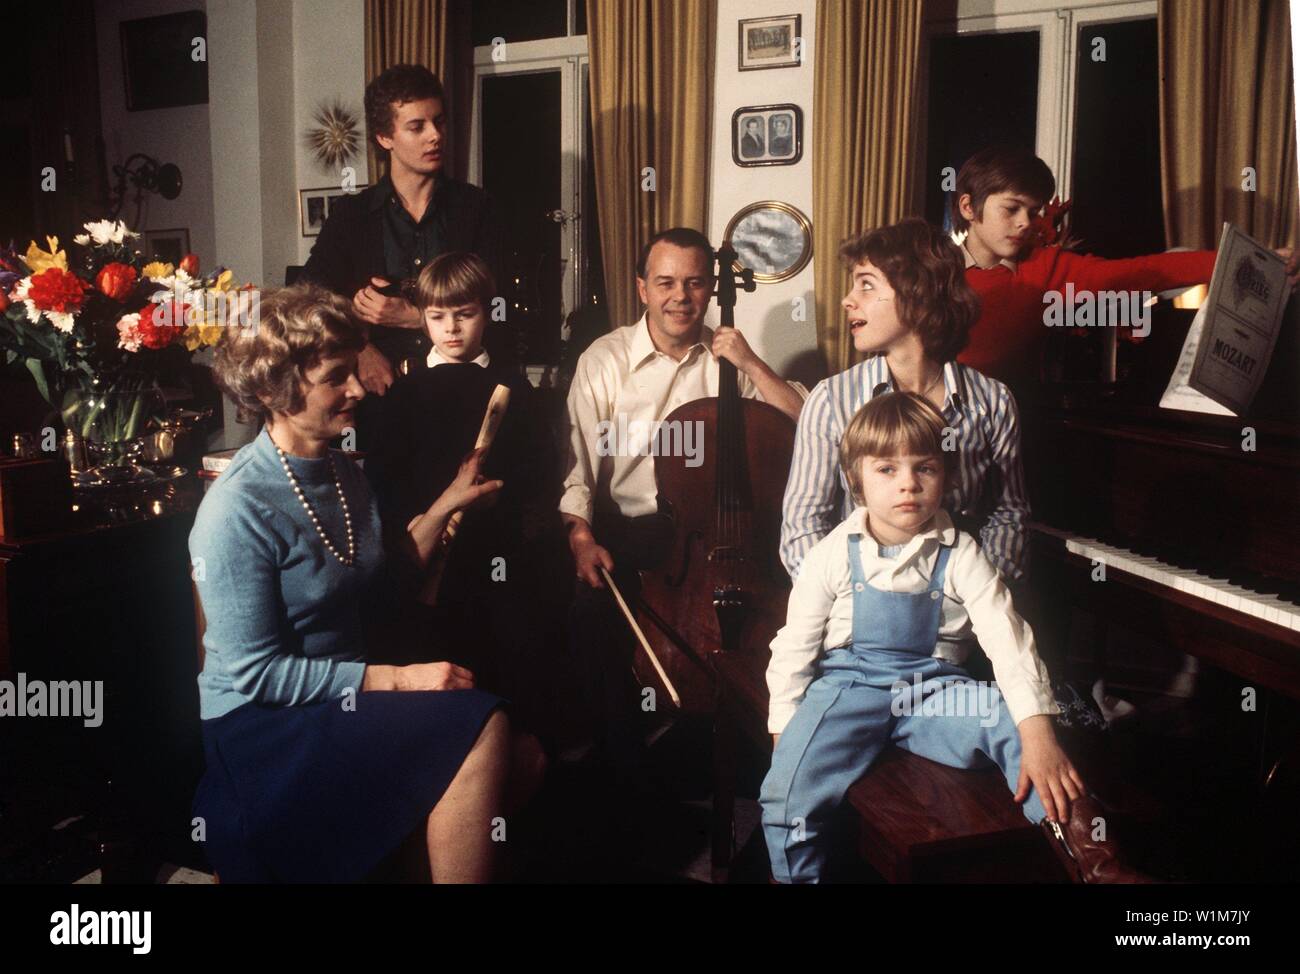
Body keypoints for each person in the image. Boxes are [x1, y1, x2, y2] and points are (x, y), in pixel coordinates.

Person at [190, 284, 540, 883]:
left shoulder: (340, 470)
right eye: (336, 377)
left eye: (354, 371)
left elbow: (384, 573)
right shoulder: (236, 507)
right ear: (277, 388)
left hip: (342, 697)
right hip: (264, 727)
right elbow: (257, 673)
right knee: (485, 730)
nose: (357, 389)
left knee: (527, 758)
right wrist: (401, 680)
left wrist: (449, 500)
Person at [761, 391, 1152, 884]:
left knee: (1015, 724)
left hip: (934, 691)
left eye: (925, 468)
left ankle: (1101, 868)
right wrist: (786, 732)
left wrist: (1036, 732)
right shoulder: (833, 552)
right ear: (856, 481)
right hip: (849, 690)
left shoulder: (961, 552)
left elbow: (1007, 636)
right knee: (787, 792)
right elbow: (794, 645)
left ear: (945, 477)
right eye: (887, 469)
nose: (908, 484)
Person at [561, 227, 804, 773]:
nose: (681, 296)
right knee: (592, 612)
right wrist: (580, 536)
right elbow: (575, 461)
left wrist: (752, 366)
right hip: (623, 529)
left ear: (710, 288)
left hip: (712, 534)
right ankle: (623, 767)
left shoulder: (725, 356)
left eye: (695, 283)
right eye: (666, 282)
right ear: (642, 288)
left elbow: (805, 423)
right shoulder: (604, 360)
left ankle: (738, 751)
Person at [364, 252, 561, 735]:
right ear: (423, 318)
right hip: (424, 560)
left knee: (497, 684)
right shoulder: (401, 392)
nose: (451, 329)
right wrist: (418, 520)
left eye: (465, 314)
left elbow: (538, 475)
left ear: (487, 311)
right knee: (431, 694)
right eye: (437, 317)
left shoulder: (515, 388)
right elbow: (383, 480)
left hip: (496, 560)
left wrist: (498, 498)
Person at [781, 218, 1029, 585]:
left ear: (917, 295)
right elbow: (803, 527)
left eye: (866, 285)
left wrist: (976, 601)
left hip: (962, 615)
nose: (848, 300)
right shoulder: (830, 400)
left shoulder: (993, 402)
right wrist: (853, 607)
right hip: (855, 618)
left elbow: (1008, 515)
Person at [952, 145, 1299, 388]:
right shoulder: (932, 267)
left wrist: (1258, 260)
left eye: (1033, 211)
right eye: (1011, 209)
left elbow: (1143, 271)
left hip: (993, 425)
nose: (1025, 223)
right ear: (968, 207)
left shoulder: (1045, 268)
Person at [300, 63, 502, 453]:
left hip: (464, 401)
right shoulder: (351, 216)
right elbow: (306, 299)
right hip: (377, 411)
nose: (435, 135)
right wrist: (360, 347)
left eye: (439, 122)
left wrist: (413, 317)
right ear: (384, 136)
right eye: (417, 126)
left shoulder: (478, 209)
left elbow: (502, 310)